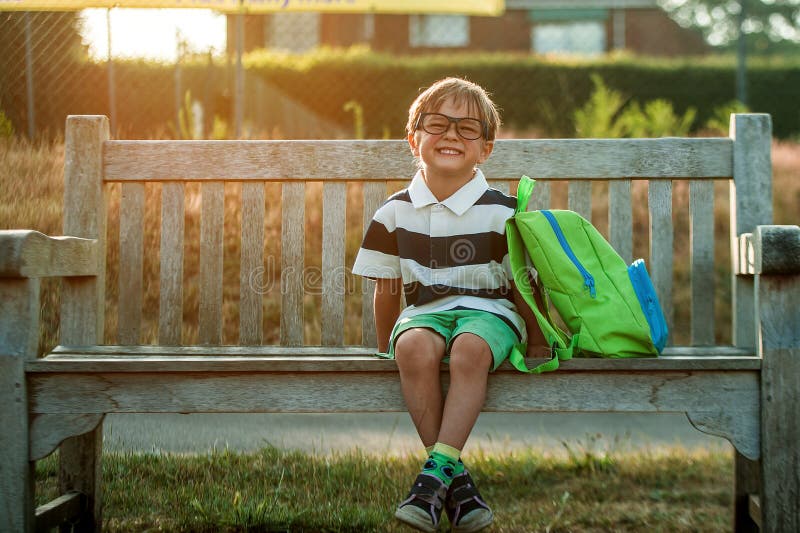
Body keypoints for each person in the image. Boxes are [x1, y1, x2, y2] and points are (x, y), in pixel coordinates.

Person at [352, 77, 543, 533]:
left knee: (469, 351)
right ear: (413, 139)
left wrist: (536, 341)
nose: (452, 135)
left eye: (468, 128)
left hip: (492, 314)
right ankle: (456, 488)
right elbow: (388, 288)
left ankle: (430, 482)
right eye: (437, 124)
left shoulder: (505, 210)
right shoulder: (394, 212)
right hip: (425, 315)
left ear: (486, 149)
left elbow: (524, 285)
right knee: (414, 348)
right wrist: (387, 348)